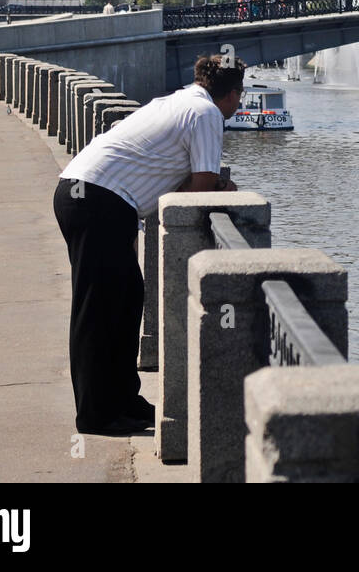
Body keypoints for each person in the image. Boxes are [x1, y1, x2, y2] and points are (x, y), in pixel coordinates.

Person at [54, 54, 244, 435]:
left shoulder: (176, 100)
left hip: (90, 195)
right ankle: (96, 415)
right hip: (98, 201)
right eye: (240, 96)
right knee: (97, 309)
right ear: (232, 94)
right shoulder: (206, 115)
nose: (240, 104)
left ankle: (125, 400)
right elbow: (202, 186)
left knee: (125, 300)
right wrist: (223, 187)